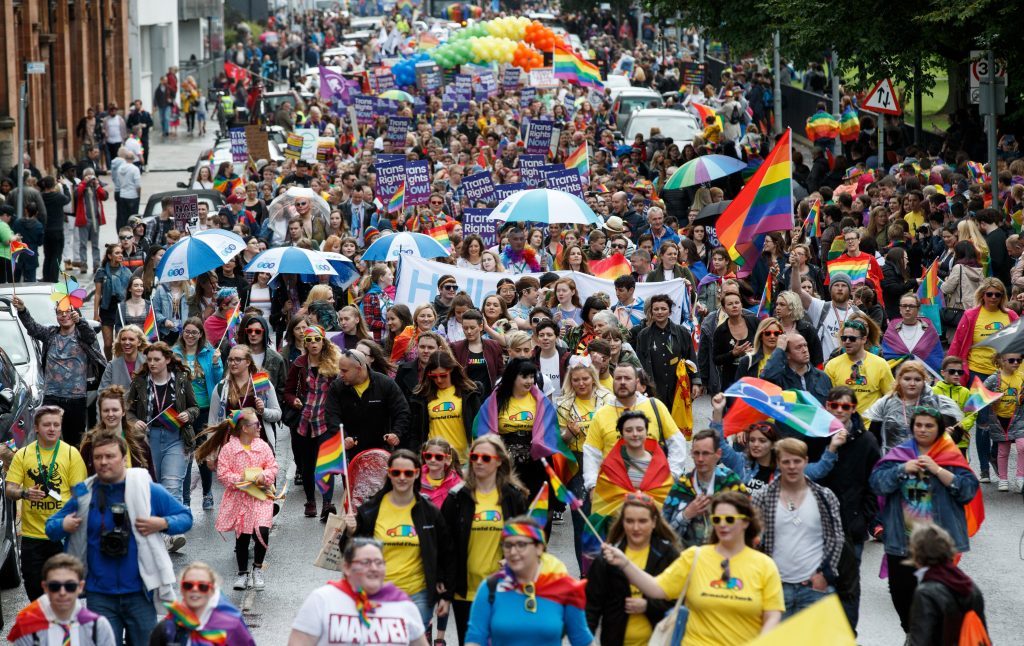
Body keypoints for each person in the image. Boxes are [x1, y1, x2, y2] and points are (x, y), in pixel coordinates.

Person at [46, 429, 194, 646]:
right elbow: (51, 527)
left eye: (110, 456)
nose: (103, 462)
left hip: (139, 594)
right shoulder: (84, 492)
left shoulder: (146, 488)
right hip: (99, 594)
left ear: (124, 459)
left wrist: (162, 523)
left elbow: (186, 517)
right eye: (98, 457)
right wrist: (63, 524)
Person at [602, 491, 784, 645]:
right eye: (717, 519)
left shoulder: (765, 565)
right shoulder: (695, 556)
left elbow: (772, 617)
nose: (722, 524)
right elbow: (657, 588)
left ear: (745, 522)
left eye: (729, 519)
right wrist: (624, 563)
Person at [869, 406, 981, 634]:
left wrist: (939, 470)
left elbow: (968, 490)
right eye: (918, 425)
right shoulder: (899, 455)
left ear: (939, 428)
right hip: (902, 542)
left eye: (929, 425)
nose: (923, 429)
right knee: (902, 597)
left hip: (937, 545)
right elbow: (877, 484)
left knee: (938, 601)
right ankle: (913, 635)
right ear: (912, 427)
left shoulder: (950, 455)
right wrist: (902, 469)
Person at [342, 450, 452, 629]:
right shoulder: (370, 510)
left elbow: (445, 552)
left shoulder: (429, 513)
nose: (402, 478)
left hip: (418, 596)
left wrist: (445, 593)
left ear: (416, 474)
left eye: (408, 473)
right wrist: (351, 532)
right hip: (377, 594)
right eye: (396, 472)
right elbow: (348, 554)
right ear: (389, 474)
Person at [441, 436, 529, 643]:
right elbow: (445, 545)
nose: (479, 461)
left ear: (499, 461)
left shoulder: (513, 497)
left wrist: (515, 560)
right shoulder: (457, 497)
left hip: (504, 587)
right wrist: (444, 586)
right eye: (474, 457)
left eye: (485, 458)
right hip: (466, 593)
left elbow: (529, 542)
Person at [751, 438, 844, 617]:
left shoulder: (824, 496)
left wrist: (824, 574)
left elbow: (836, 537)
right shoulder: (762, 497)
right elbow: (752, 540)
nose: (792, 466)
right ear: (778, 463)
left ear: (806, 461)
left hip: (814, 586)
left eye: (797, 461)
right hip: (775, 587)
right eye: (786, 462)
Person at [465, 516, 592, 646]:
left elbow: (582, 640)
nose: (513, 552)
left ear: (539, 548)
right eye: (508, 545)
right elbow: (475, 639)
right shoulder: (490, 588)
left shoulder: (564, 588)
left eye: (521, 544)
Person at [5, 406, 88, 601]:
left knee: (64, 595)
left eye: (56, 425)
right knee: (36, 594)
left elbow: (82, 495)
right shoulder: (23, 455)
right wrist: (25, 493)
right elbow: (10, 489)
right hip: (33, 537)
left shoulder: (71, 454)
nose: (52, 429)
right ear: (36, 428)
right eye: (47, 425)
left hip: (63, 535)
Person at [287, 537, 428, 646]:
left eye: (379, 563)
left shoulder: (404, 606)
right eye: (365, 562)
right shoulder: (322, 600)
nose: (374, 568)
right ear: (347, 568)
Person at [196, 408, 278, 591]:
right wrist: (241, 479)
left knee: (262, 532)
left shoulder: (263, 446)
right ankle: (242, 573)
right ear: (244, 428)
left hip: (261, 497)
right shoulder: (228, 449)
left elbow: (273, 467)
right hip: (240, 499)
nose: (260, 427)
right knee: (242, 536)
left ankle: (257, 569)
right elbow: (223, 474)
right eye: (256, 424)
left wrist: (264, 476)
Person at [584, 493, 679, 646]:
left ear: (654, 522)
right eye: (629, 521)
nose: (636, 528)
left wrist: (648, 606)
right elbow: (591, 608)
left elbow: (680, 601)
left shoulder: (668, 555)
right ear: (622, 523)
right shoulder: (608, 558)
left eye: (642, 521)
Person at [13, 296, 107, 448]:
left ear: (75, 314)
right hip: (52, 397)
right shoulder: (50, 334)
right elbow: (33, 328)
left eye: (67, 312)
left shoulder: (82, 335)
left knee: (74, 443)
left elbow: (90, 336)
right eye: (59, 312)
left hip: (76, 399)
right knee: (48, 440)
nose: (63, 315)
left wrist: (80, 321)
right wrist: (22, 310)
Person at [125, 342, 198, 527]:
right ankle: (157, 526)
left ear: (167, 359)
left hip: (177, 437)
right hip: (149, 439)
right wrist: (134, 422)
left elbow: (195, 407)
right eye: (149, 359)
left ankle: (173, 531)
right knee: (153, 486)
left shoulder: (181, 379)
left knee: (172, 485)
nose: (152, 363)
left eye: (156, 359)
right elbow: (128, 411)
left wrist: (188, 414)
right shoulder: (139, 381)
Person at [583, 363, 687, 491]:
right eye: (618, 378)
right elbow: (591, 453)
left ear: (636, 381)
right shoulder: (601, 414)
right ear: (612, 381)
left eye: (627, 378)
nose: (622, 382)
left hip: (653, 489)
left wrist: (671, 474)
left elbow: (677, 442)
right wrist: (592, 485)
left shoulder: (655, 406)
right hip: (614, 492)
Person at [474, 358, 561, 499]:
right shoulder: (496, 399)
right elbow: (482, 428)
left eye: (532, 377)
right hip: (504, 462)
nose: (529, 381)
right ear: (513, 376)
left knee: (537, 505)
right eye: (524, 377)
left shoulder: (540, 400)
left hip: (536, 462)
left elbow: (551, 430)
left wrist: (540, 441)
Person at [662, 428, 749, 547]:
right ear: (691, 453)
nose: (700, 459)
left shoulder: (730, 483)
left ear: (718, 454)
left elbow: (750, 521)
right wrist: (685, 515)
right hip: (688, 558)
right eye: (696, 453)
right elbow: (663, 531)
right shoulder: (682, 486)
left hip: (725, 556)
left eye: (706, 453)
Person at [906, 523, 989, 646]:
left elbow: (920, 640)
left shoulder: (926, 593)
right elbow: (982, 635)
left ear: (918, 554)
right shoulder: (970, 586)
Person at [7, 553, 116, 645]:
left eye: (70, 586)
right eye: (55, 586)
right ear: (45, 587)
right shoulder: (27, 627)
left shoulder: (98, 627)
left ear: (80, 587)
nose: (62, 592)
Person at [172, 317, 223, 509]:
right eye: (187, 332)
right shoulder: (175, 353)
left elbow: (219, 381)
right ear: (182, 333)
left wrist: (217, 364)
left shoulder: (210, 353)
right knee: (185, 454)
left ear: (200, 334)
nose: (190, 336)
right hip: (184, 411)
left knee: (203, 454)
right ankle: (185, 499)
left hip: (205, 410)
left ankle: (207, 493)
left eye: (194, 332)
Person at [326, 347, 411, 453]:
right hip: (349, 449)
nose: (340, 374)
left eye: (344, 371)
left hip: (380, 449)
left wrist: (396, 433)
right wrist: (342, 436)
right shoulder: (336, 387)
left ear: (359, 368)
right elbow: (331, 416)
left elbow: (402, 411)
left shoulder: (385, 383)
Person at [149, 561, 256, 645]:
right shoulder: (168, 626)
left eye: (202, 586)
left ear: (212, 590)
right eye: (188, 585)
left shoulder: (232, 625)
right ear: (181, 589)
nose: (195, 589)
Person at [866, 360, 961, 452]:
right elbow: (874, 438)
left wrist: (948, 435)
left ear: (924, 381)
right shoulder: (885, 404)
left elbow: (956, 436)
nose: (912, 383)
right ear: (899, 380)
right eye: (907, 379)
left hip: (927, 463)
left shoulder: (936, 403)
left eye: (917, 379)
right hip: (893, 464)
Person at [408, 351, 482, 460]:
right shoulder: (421, 397)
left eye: (443, 375)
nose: (438, 380)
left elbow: (480, 426)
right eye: (434, 376)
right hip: (434, 459)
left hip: (464, 459)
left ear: (451, 370)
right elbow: (415, 432)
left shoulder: (469, 393)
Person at [634, 294, 702, 411]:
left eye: (664, 309)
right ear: (651, 312)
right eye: (656, 309)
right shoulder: (644, 335)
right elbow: (639, 362)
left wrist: (696, 382)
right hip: (654, 388)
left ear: (670, 312)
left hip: (677, 387)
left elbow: (691, 359)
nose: (660, 312)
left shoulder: (682, 332)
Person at [824, 319, 895, 416]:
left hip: (871, 427)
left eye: (852, 338)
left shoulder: (880, 364)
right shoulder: (832, 365)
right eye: (844, 338)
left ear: (864, 339)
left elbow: (890, 397)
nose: (847, 342)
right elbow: (827, 399)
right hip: (842, 426)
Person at [81, 386, 154, 479]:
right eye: (106, 410)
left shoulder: (139, 442)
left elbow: (151, 480)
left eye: (115, 410)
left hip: (133, 492)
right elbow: (82, 479)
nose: (110, 414)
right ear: (101, 413)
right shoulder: (90, 443)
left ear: (123, 412)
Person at [790, 267, 860, 360]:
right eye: (836, 285)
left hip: (849, 368)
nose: (840, 288)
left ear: (850, 290)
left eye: (843, 285)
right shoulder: (820, 307)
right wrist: (795, 268)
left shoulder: (858, 314)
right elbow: (797, 291)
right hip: (825, 368)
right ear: (830, 289)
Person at [881, 294, 944, 374]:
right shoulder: (892, 329)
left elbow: (936, 356)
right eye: (904, 306)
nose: (907, 309)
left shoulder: (929, 330)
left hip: (924, 377)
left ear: (918, 309)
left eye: (911, 306)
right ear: (900, 309)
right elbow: (885, 355)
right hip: (897, 377)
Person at [93, 244, 134, 359]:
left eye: (121, 253)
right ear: (110, 256)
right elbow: (97, 293)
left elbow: (130, 293)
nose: (120, 255)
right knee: (107, 344)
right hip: (106, 309)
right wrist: (96, 313)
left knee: (120, 343)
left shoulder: (127, 272)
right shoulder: (101, 271)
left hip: (121, 309)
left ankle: (118, 365)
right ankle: (109, 363)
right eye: (117, 253)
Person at [450, 309, 504, 394]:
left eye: (472, 328)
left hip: (488, 398)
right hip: (465, 398)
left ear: (481, 327)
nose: (469, 331)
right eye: (465, 328)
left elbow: (500, 373)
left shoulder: (494, 346)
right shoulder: (456, 348)